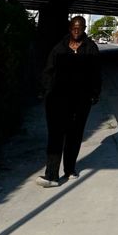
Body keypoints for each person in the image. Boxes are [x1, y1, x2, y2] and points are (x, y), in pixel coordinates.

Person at [38, 15, 101, 187]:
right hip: (58, 99)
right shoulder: (59, 48)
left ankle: (70, 169)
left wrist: (95, 93)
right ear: (69, 28)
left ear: (84, 29)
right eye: (74, 27)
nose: (76, 31)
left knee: (75, 134)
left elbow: (96, 73)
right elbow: (48, 71)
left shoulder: (91, 48)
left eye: (80, 28)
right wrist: (45, 91)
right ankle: (51, 175)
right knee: (56, 135)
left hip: (81, 100)